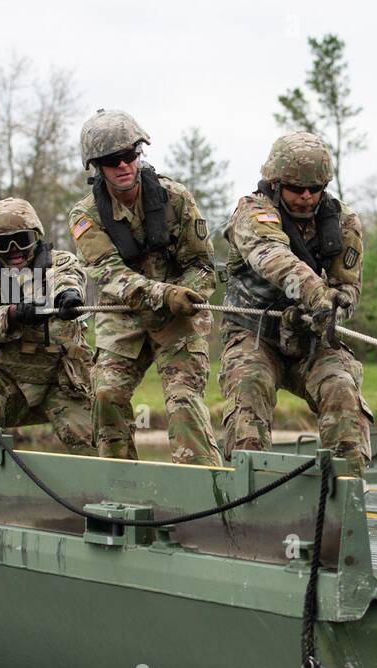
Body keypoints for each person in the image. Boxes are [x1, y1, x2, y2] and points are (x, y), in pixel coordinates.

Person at [68, 109, 220, 466]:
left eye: (130, 155)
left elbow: (202, 266)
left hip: (177, 318)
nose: (123, 165)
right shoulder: (85, 216)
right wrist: (161, 294)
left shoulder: (176, 199)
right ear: (96, 166)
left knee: (184, 403)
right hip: (123, 319)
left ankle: (205, 492)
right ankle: (118, 486)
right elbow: (109, 273)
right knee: (105, 396)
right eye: (111, 160)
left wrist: (188, 294)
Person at [217, 131, 372, 476]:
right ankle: (247, 493)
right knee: (248, 387)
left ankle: (347, 492)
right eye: (295, 188)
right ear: (275, 183)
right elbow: (272, 258)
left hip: (311, 340)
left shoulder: (344, 222)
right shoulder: (253, 211)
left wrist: (331, 309)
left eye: (314, 189)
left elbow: (347, 289)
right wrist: (315, 294)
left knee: (342, 388)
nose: (305, 197)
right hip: (254, 335)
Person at [0, 198, 93, 452]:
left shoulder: (60, 262)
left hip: (62, 381)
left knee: (94, 446)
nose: (14, 250)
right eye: (4, 244)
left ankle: (104, 491)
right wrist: (14, 315)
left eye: (22, 240)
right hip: (8, 380)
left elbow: (69, 279)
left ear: (36, 236)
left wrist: (67, 296)